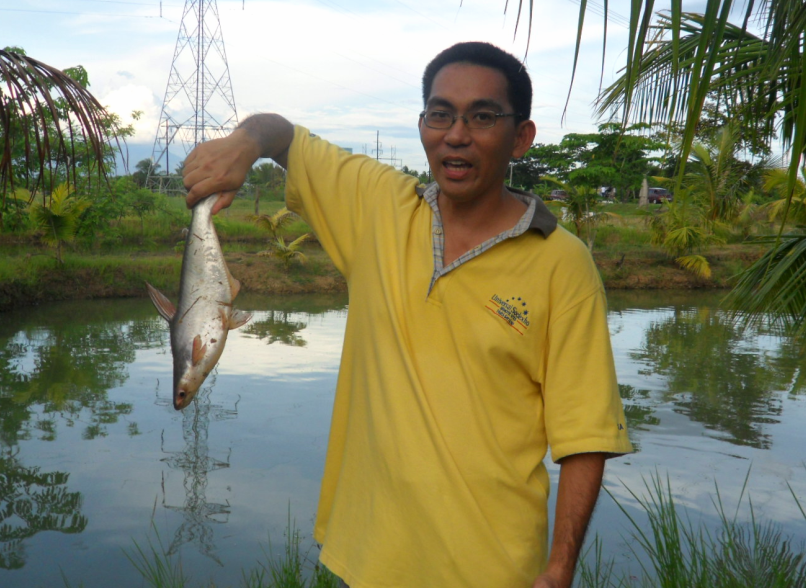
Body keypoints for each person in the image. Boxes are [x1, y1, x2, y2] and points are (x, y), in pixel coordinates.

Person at [183, 41, 633, 588]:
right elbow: (284, 136)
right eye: (440, 114)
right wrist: (245, 142)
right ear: (423, 124)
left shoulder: (564, 264)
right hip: (365, 559)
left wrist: (560, 565)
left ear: (521, 138)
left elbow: (584, 433)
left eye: (482, 117)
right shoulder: (378, 209)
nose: (456, 134)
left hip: (493, 568)